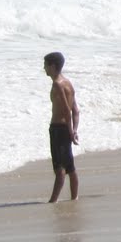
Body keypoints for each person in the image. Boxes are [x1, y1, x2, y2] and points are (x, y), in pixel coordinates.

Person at [42, 51, 80, 203]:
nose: (43, 68)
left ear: (52, 66)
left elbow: (66, 111)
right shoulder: (68, 82)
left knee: (60, 169)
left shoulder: (57, 84)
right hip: (65, 129)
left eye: (45, 65)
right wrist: (74, 130)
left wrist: (71, 133)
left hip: (59, 128)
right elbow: (75, 110)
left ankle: (53, 201)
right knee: (70, 167)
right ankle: (74, 198)